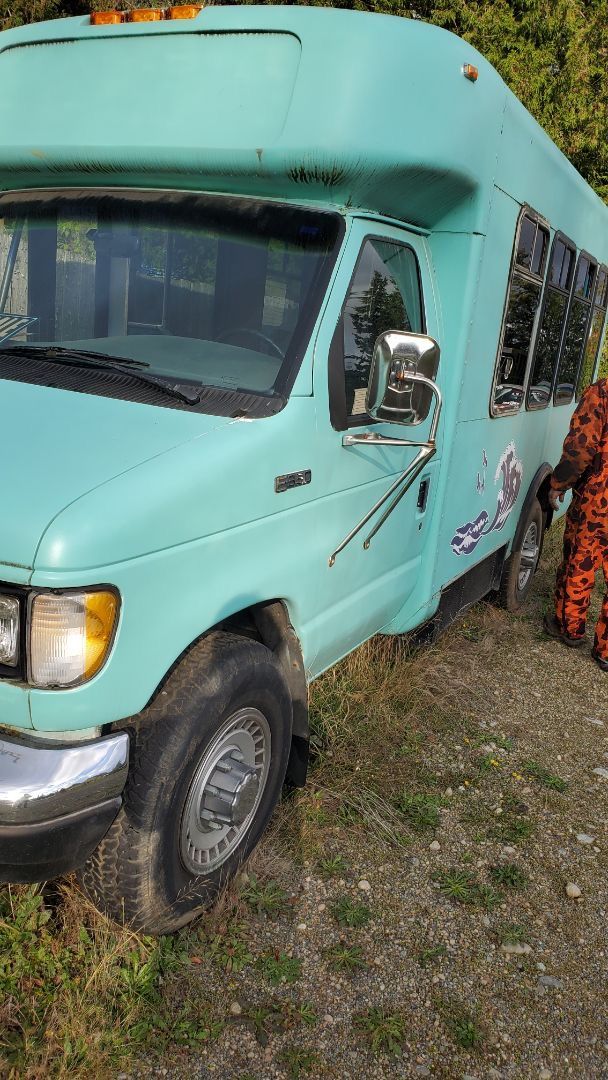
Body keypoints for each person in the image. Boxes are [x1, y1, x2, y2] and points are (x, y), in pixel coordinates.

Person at [544, 377, 608, 670]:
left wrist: (559, 483)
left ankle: (570, 628)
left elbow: (580, 449)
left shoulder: (602, 392)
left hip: (600, 499)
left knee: (580, 561)